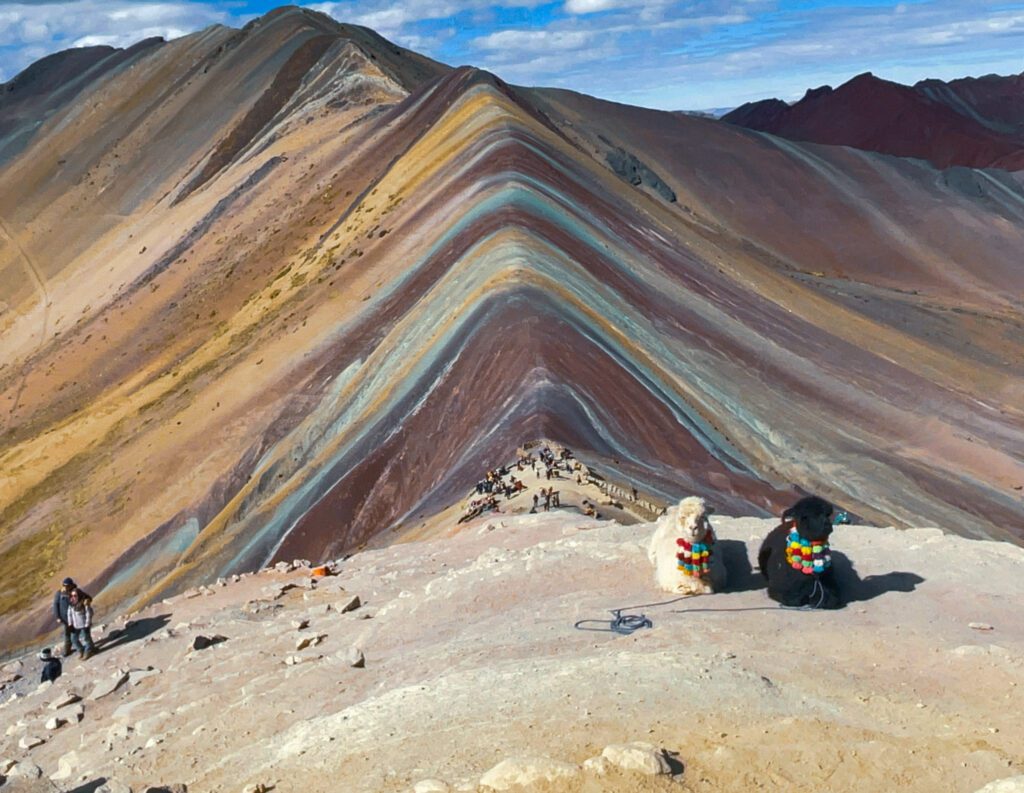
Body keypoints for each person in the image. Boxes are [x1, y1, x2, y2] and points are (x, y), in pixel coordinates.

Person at [52, 577, 89, 657]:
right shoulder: (59, 593)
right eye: (64, 585)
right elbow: (55, 605)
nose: (65, 587)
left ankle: (89, 648)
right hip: (65, 619)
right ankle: (67, 650)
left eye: (67, 586)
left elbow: (87, 597)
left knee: (83, 634)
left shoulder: (76, 592)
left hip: (77, 617)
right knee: (67, 634)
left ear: (71, 585)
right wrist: (58, 617)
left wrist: (87, 601)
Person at [67, 587, 95, 660]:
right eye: (72, 595)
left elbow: (89, 614)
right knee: (73, 639)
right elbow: (69, 614)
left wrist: (87, 624)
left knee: (87, 639)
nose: (73, 597)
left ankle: (88, 652)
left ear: (79, 595)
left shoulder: (84, 603)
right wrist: (70, 624)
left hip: (84, 625)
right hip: (75, 626)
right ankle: (81, 650)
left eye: (75, 595)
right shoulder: (71, 604)